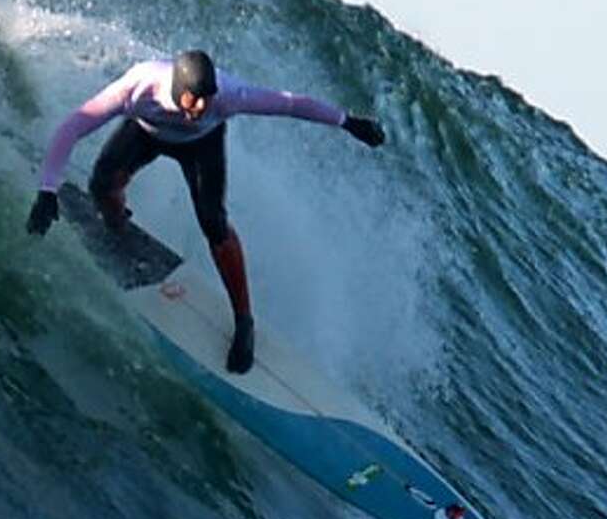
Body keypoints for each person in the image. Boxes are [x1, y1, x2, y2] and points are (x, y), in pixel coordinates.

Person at [23, 48, 386, 373]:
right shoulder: (138, 87)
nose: (201, 108)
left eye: (207, 100)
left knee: (214, 222)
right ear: (177, 88)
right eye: (195, 99)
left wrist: (347, 121)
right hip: (146, 132)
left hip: (202, 146)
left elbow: (290, 104)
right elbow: (74, 126)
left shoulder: (228, 96)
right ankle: (117, 228)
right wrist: (47, 190)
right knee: (102, 186)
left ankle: (244, 320)